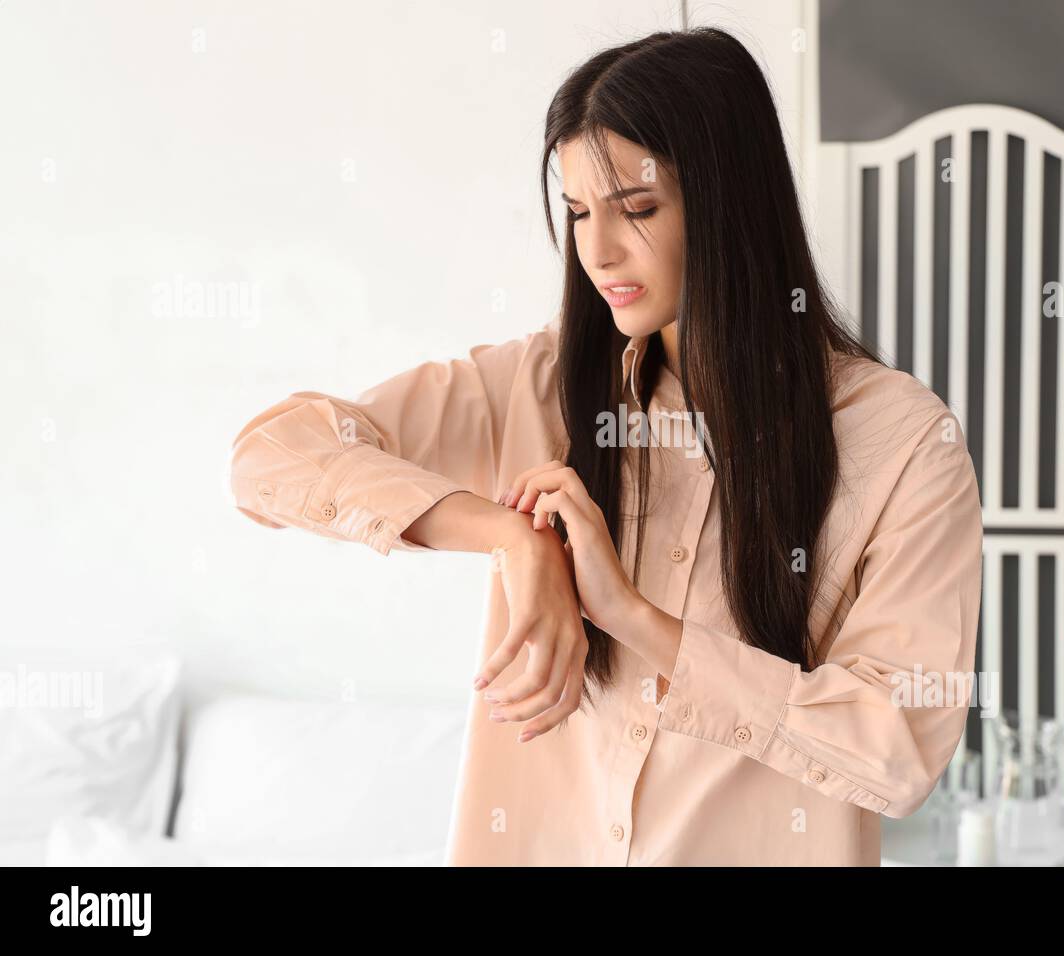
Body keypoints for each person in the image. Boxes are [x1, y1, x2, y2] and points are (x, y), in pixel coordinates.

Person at [228, 26, 983, 866]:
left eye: (638, 209)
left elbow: (900, 750)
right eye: (580, 212)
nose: (598, 250)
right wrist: (514, 541)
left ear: (730, 201)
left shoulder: (904, 441)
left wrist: (632, 617)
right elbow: (271, 459)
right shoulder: (539, 384)